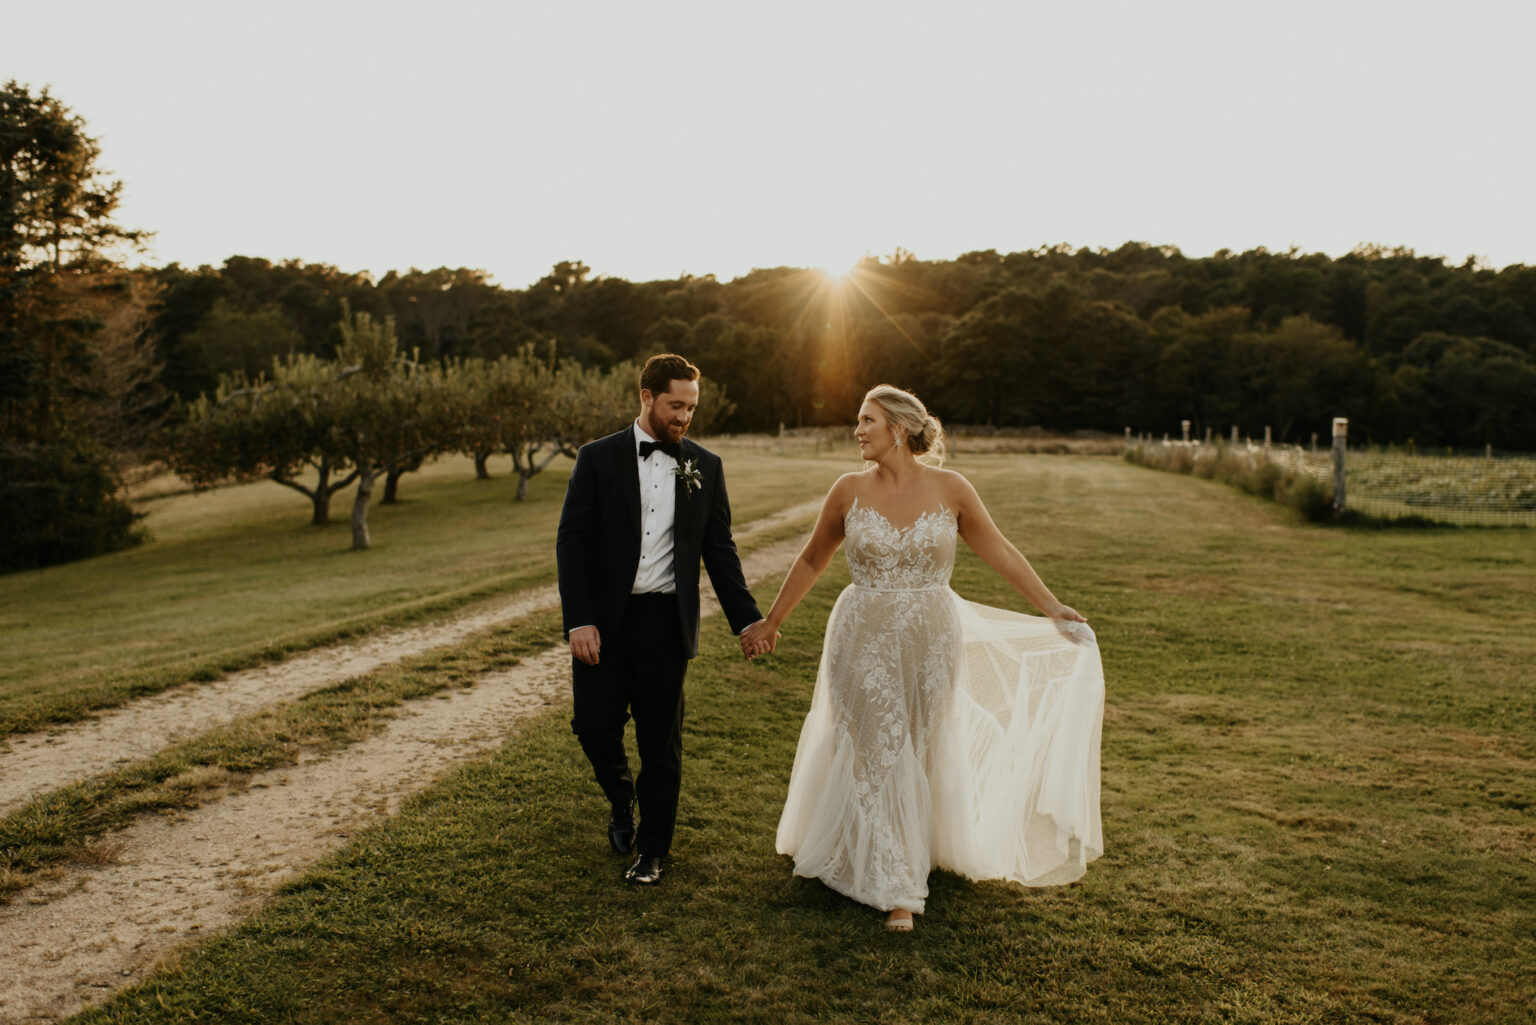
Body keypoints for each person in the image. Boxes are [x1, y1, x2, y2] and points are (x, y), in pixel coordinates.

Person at [741, 385, 1105, 931]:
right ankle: (900, 889)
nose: (857, 430)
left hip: (933, 636)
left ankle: (902, 844)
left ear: (899, 429)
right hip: (861, 633)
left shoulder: (952, 488)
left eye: (867, 421)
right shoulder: (847, 490)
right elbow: (813, 557)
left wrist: (1052, 607)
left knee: (920, 740)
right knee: (878, 745)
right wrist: (772, 620)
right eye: (858, 421)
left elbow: (1000, 550)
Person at [557, 354, 773, 886]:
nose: (684, 417)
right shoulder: (596, 458)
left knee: (661, 743)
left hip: (664, 624)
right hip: (604, 622)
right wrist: (580, 619)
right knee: (592, 725)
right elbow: (572, 542)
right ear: (647, 398)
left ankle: (652, 851)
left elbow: (720, 552)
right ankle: (621, 796)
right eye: (676, 405)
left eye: (692, 408)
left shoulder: (707, 466)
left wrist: (746, 620)